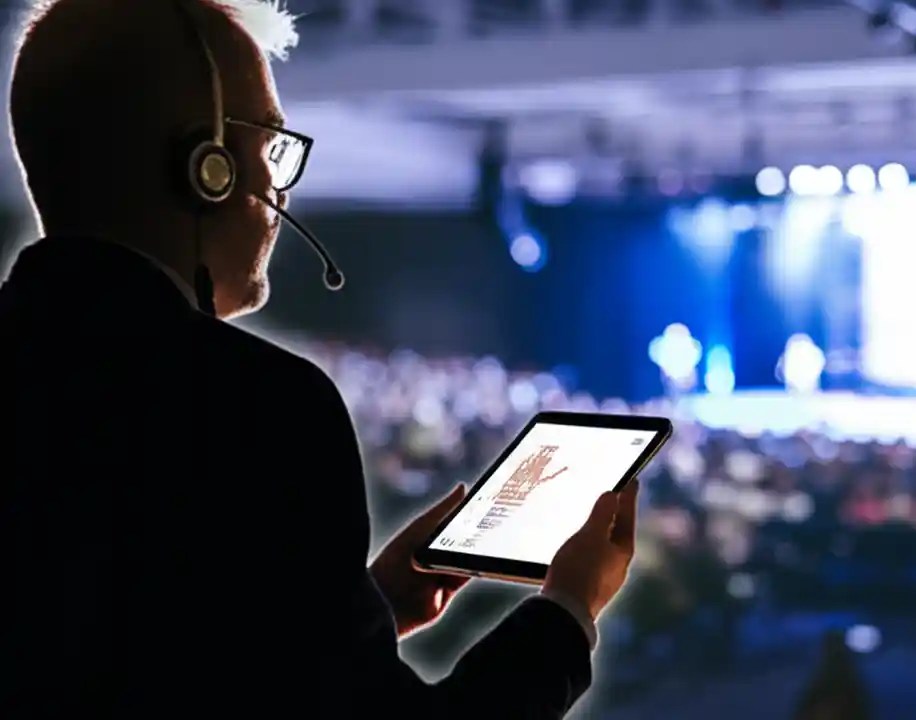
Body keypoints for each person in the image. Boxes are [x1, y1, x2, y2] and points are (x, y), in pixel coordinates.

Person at [0, 1, 633, 716]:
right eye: (267, 143)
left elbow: (133, 650)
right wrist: (568, 611)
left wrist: (362, 608)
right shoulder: (259, 406)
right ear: (206, 167)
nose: (277, 187)